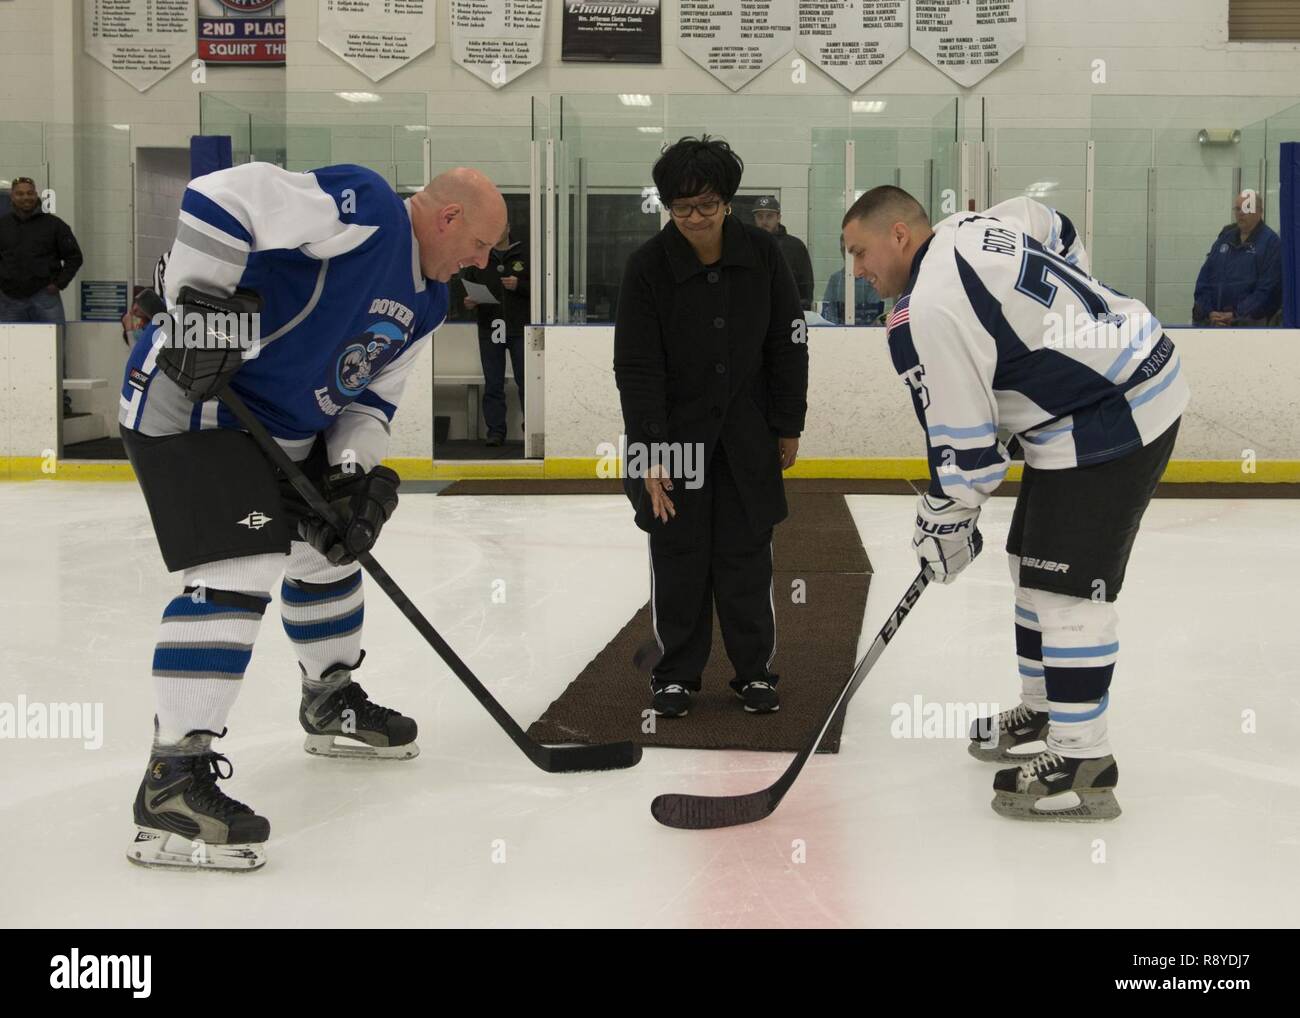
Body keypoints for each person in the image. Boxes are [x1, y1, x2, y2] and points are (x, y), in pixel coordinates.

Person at [119, 162, 505, 870]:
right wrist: (191, 303)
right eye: (480, 244)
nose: (482, 262)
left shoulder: (430, 304)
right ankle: (171, 776)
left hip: (287, 435)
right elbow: (221, 196)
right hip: (194, 405)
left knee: (328, 550)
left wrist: (352, 478)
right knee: (241, 564)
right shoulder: (367, 213)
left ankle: (328, 700)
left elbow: (370, 402)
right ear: (448, 218)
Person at [842, 186, 1188, 822]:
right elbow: (1047, 220)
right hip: (1095, 401)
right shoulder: (970, 226)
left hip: (1115, 413)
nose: (856, 271)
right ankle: (1046, 707)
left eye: (859, 252)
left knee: (1065, 592)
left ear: (898, 235)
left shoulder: (932, 307)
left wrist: (943, 521)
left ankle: (1084, 760)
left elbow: (968, 448)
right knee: (1028, 560)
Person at [615, 137, 808, 719]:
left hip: (747, 436)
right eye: (681, 208)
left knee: (747, 558)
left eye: (706, 205)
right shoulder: (647, 267)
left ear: (728, 201)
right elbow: (636, 366)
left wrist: (787, 423)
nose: (695, 218)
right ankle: (674, 675)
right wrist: (648, 451)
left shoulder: (764, 256)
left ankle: (754, 672)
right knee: (679, 556)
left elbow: (788, 344)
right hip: (671, 440)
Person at [0, 175, 84, 413]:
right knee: (9, 354)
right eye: (20, 193)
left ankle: (60, 403)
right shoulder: (2, 226)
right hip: (8, 301)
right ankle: (12, 403)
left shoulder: (54, 225)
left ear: (36, 195)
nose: (25, 197)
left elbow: (75, 257)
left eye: (29, 193)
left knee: (55, 353)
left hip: (45, 299)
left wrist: (59, 283)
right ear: (12, 197)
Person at [458, 223, 528, 445]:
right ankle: (496, 432)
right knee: (493, 383)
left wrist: (520, 285)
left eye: (500, 228)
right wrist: (468, 303)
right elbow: (466, 290)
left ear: (508, 228)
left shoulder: (526, 254)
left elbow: (542, 288)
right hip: (490, 328)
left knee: (526, 382)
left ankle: (532, 429)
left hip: (519, 329)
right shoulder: (479, 258)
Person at [1192, 190, 1281, 326]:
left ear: (1260, 211)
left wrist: (1236, 314)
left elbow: (1267, 290)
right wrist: (1209, 311)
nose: (1241, 213)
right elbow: (1204, 280)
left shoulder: (1271, 243)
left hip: (1250, 327)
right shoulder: (1224, 239)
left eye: (1247, 208)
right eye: (1238, 208)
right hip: (1214, 324)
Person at [752, 195, 814, 310]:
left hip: (787, 313)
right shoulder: (747, 245)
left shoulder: (795, 246)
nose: (764, 221)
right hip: (755, 313)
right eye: (759, 216)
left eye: (769, 216)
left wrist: (800, 310)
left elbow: (806, 285)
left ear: (779, 217)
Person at [821, 237, 884, 324]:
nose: (846, 254)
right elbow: (828, 310)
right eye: (844, 249)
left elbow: (873, 313)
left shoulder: (870, 278)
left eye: (851, 250)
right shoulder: (835, 279)